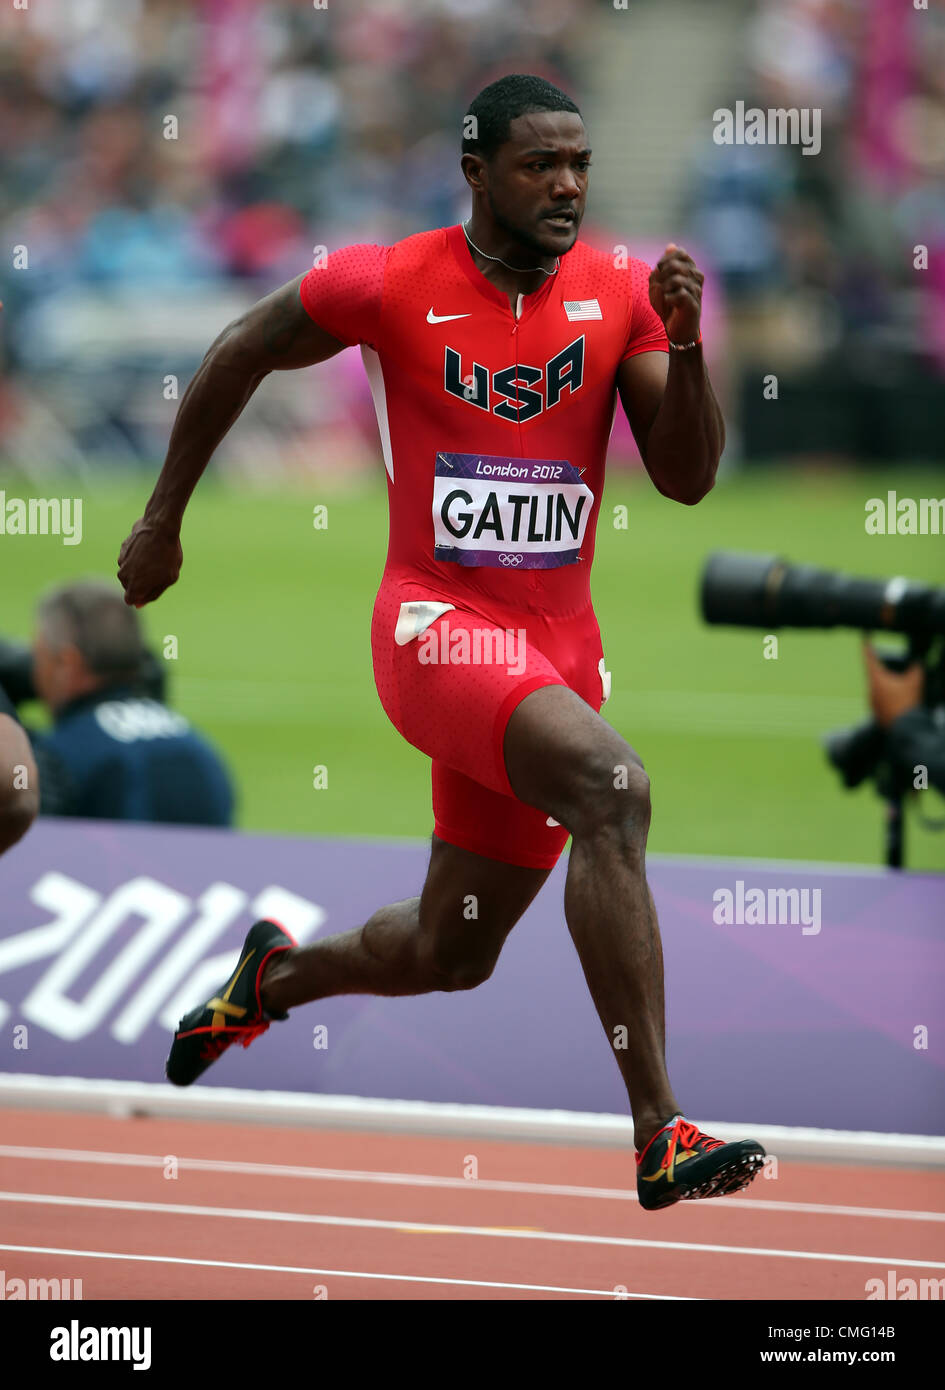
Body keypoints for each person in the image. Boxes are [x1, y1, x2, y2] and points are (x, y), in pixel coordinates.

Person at [118, 74, 765, 1211]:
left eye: (579, 165)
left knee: (449, 951)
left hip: (559, 650)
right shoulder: (386, 280)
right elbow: (237, 348)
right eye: (538, 165)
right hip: (436, 631)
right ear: (476, 174)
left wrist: (689, 344)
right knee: (612, 786)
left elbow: (687, 477)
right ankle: (660, 1130)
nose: (566, 185)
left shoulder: (616, 289)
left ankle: (271, 979)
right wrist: (162, 516)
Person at [0, 579, 235, 826]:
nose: (35, 670)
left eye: (40, 656)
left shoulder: (59, 760)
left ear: (68, 664)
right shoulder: (202, 752)